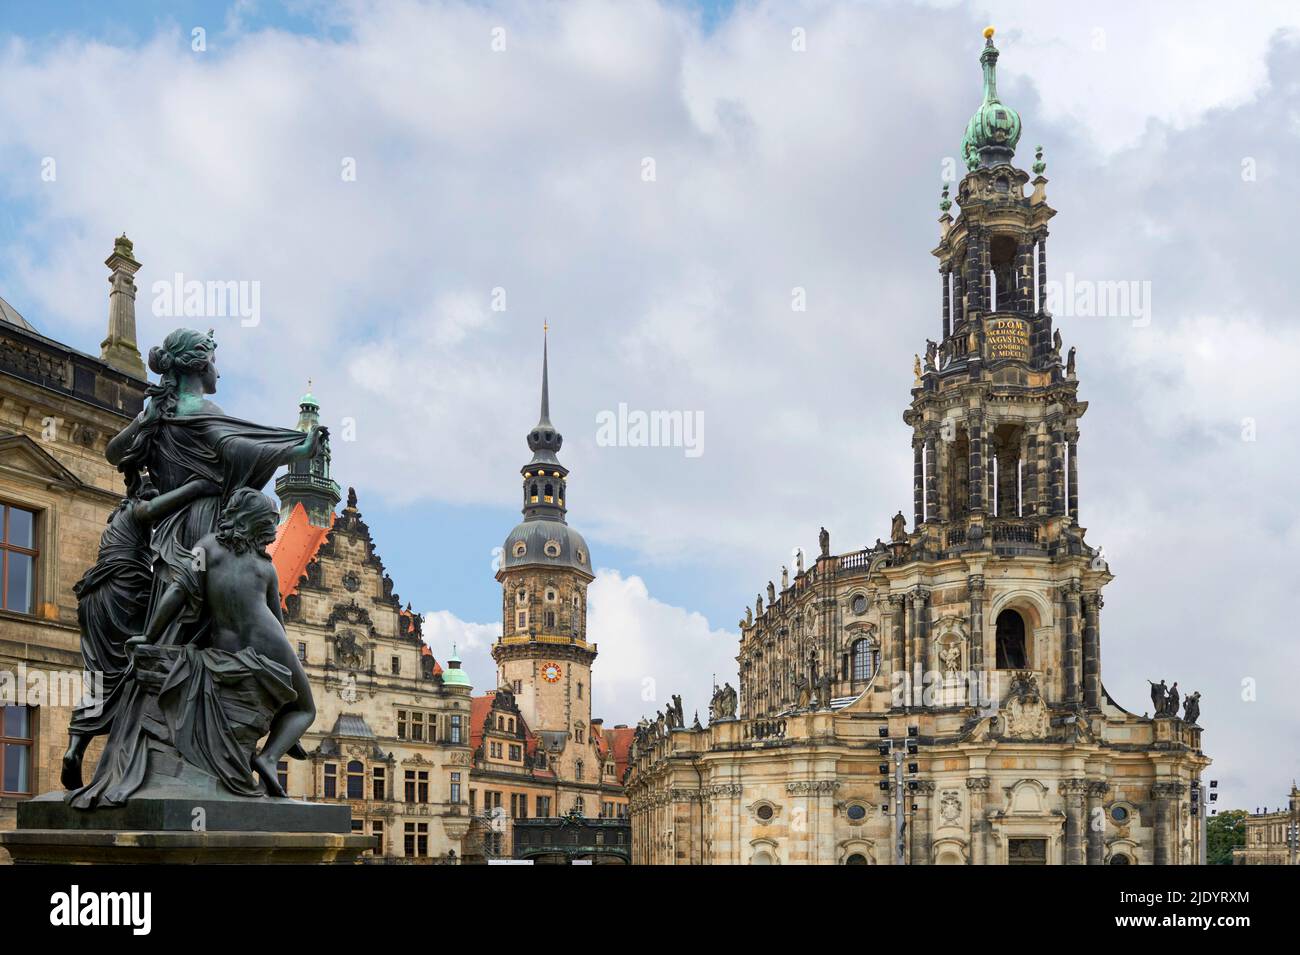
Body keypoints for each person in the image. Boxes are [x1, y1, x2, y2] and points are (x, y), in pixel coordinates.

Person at [60, 470, 220, 789]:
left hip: (93, 599)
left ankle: (75, 747)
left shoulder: (115, 520)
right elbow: (152, 509)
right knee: (136, 667)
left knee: (102, 677)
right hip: (123, 592)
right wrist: (196, 487)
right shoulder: (135, 511)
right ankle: (152, 743)